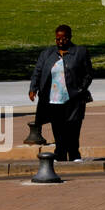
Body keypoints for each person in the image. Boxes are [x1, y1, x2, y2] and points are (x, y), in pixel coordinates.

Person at [29, 24, 94, 162]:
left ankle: (74, 154)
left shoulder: (79, 52)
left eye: (63, 39)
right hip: (53, 98)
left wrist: (81, 89)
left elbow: (88, 74)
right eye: (57, 39)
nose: (60, 42)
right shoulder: (47, 54)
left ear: (69, 38)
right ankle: (60, 154)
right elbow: (38, 72)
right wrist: (33, 88)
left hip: (74, 98)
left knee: (73, 127)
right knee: (58, 129)